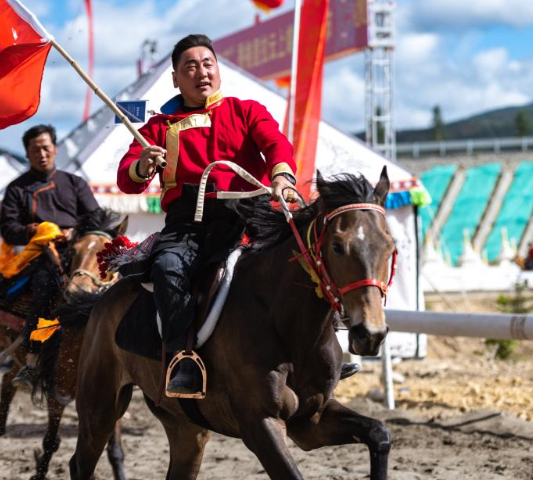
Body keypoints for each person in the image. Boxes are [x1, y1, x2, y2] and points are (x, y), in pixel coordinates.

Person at [117, 34, 359, 395]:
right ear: (175, 78)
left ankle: (327, 346)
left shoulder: (246, 110)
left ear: (218, 70)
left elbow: (275, 143)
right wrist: (141, 164)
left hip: (252, 214)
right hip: (191, 224)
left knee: (308, 253)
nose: (201, 71)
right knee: (168, 268)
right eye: (191, 66)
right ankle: (183, 357)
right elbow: (127, 180)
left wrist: (281, 176)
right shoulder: (156, 128)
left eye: (207, 63)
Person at [0, 124, 101, 389]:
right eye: (35, 150)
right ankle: (32, 359)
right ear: (27, 153)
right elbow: (8, 230)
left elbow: (95, 217)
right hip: (41, 257)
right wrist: (37, 230)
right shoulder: (16, 189)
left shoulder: (75, 183)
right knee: (46, 291)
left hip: (80, 253)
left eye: (46, 148)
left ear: (55, 149)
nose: (42, 154)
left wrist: (74, 232)